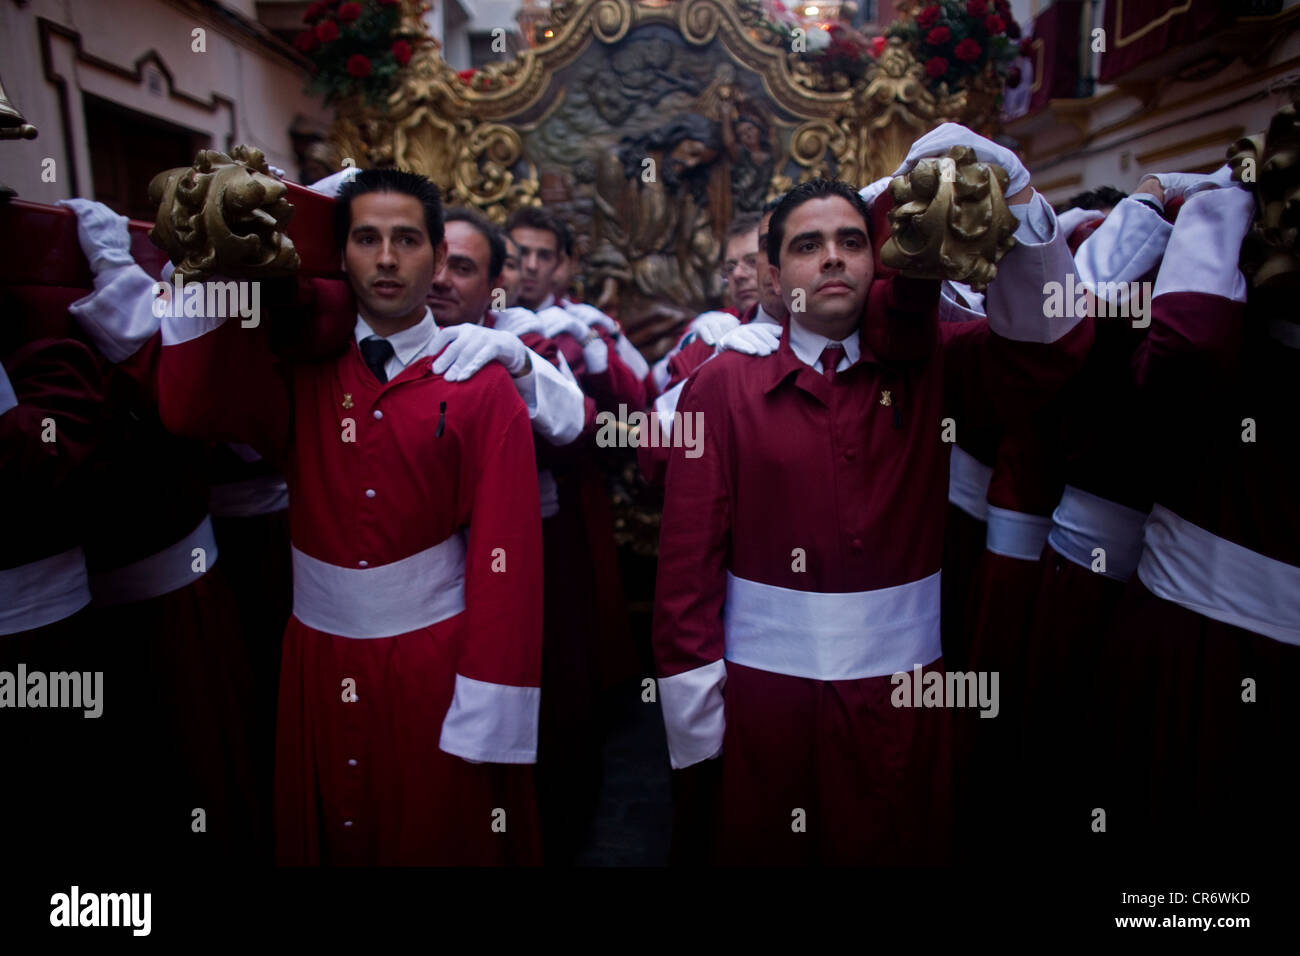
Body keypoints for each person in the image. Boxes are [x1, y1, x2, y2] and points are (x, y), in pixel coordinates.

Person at [653, 124, 1093, 865]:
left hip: (905, 696)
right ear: (770, 274)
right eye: (806, 245)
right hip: (767, 700)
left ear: (878, 258)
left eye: (852, 242)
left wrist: (1022, 199)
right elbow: (685, 572)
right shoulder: (723, 385)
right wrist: (699, 738)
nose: (832, 257)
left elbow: (1046, 349)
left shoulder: (934, 366)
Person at [156, 168, 546, 866]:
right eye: (366, 238)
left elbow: (507, 557)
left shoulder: (482, 383)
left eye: (407, 240)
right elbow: (190, 410)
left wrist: (490, 705)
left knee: (433, 834)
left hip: (436, 660)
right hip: (317, 653)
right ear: (341, 256)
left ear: (434, 253)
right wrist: (199, 262)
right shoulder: (299, 371)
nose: (388, 259)